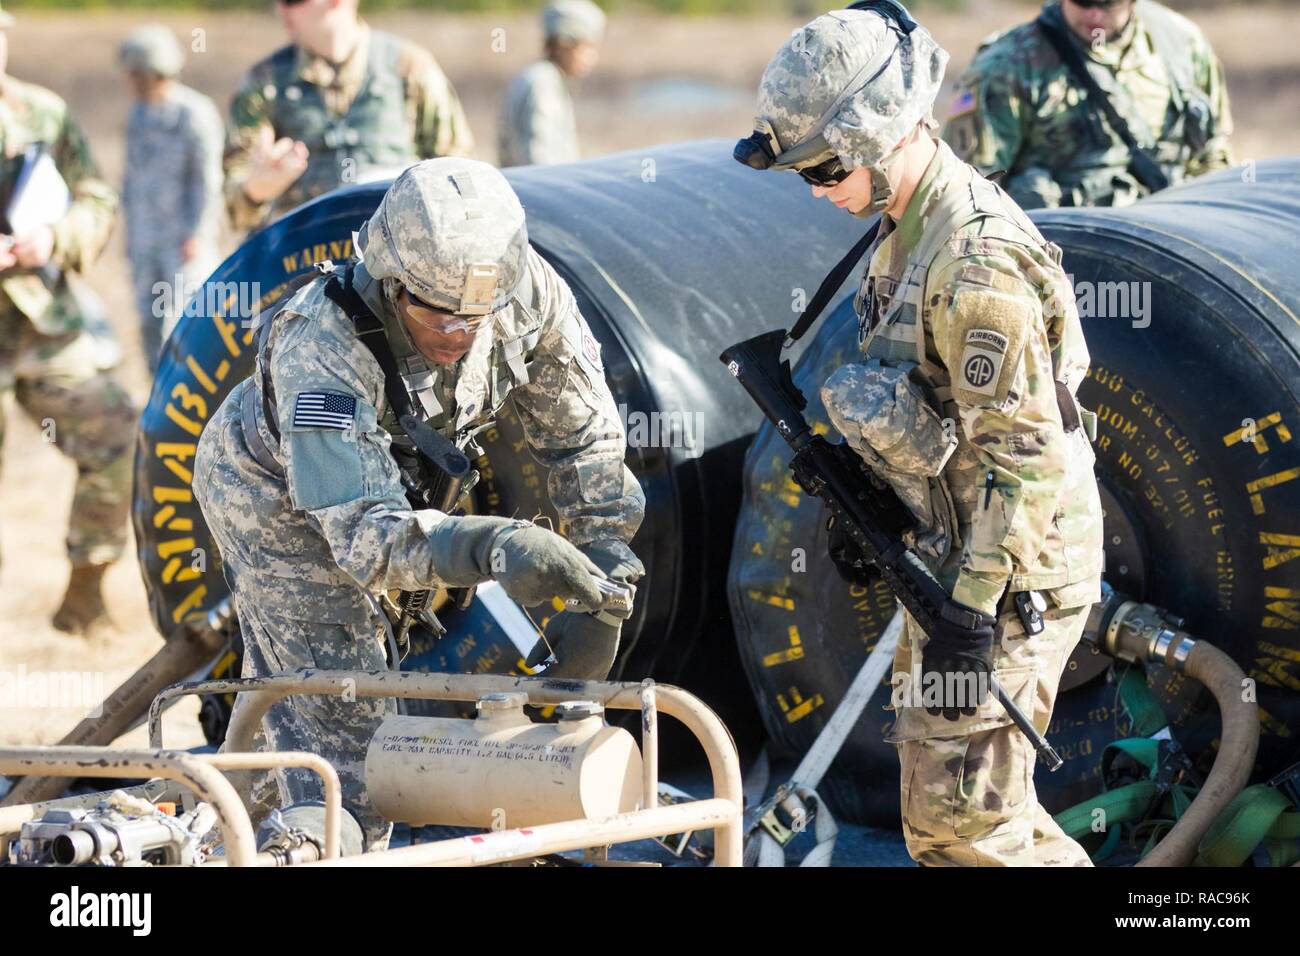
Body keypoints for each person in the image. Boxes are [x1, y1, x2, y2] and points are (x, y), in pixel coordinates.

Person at [735, 3, 1103, 865]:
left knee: (964, 827)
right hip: (954, 557)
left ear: (879, 134)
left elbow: (1026, 454)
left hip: (1009, 576)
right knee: (960, 819)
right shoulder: (905, 228)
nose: (817, 189)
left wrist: (973, 609)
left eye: (824, 167)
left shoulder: (973, 259)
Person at [193, 157, 645, 851]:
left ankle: (220, 825)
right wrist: (494, 547)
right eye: (437, 313)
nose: (460, 333)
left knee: (318, 713)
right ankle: (320, 840)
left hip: (400, 483)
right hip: (275, 493)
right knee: (352, 742)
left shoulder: (526, 292)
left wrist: (607, 556)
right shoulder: (323, 345)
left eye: (477, 316)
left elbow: (582, 436)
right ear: (390, 280)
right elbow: (366, 539)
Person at [0, 2, 133, 634]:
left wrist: (54, 239)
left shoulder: (41, 114)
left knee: (118, 436)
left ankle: (85, 596)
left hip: (40, 325)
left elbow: (95, 195)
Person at [943, 0, 1232, 208]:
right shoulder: (1005, 67)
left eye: (1107, 2)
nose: (1094, 14)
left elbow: (1213, 156)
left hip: (1170, 242)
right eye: (1083, 0)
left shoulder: (1181, 44)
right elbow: (967, 193)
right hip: (1063, 255)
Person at [224, 0, 473, 231]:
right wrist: (255, 191)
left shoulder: (409, 68)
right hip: (300, 263)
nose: (280, 8)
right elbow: (234, 212)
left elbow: (460, 176)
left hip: (398, 263)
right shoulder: (265, 82)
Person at [119, 24, 225, 373]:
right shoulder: (138, 114)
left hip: (183, 243)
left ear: (153, 72)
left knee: (182, 327)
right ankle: (160, 409)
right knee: (149, 327)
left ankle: (194, 411)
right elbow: (132, 179)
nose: (130, 80)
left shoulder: (194, 114)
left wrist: (197, 233)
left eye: (135, 73)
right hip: (147, 241)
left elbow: (208, 179)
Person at [498, 0, 605, 167]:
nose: (593, 57)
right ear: (564, 44)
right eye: (587, 47)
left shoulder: (545, 79)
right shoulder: (542, 85)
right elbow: (539, 160)